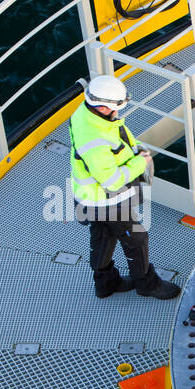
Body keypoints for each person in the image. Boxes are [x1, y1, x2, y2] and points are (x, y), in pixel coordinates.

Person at [69, 74, 180, 300]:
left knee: (103, 235)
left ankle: (105, 283)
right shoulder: (95, 142)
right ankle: (146, 284)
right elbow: (112, 181)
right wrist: (141, 162)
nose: (118, 113)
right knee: (136, 238)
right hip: (106, 200)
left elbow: (116, 135)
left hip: (89, 197)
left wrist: (134, 148)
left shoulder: (83, 114)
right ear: (101, 107)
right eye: (116, 108)